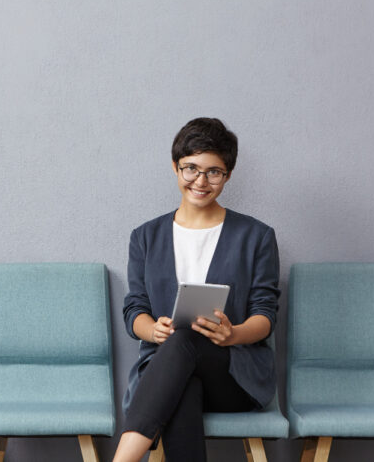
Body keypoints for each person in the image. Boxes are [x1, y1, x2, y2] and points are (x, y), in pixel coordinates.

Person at [113, 118, 280, 462]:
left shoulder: (257, 236)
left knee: (185, 341)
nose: (201, 181)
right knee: (182, 375)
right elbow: (135, 310)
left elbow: (265, 314)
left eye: (213, 172)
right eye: (191, 168)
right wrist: (153, 330)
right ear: (175, 167)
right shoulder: (145, 236)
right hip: (167, 372)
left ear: (228, 175)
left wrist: (232, 334)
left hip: (234, 376)